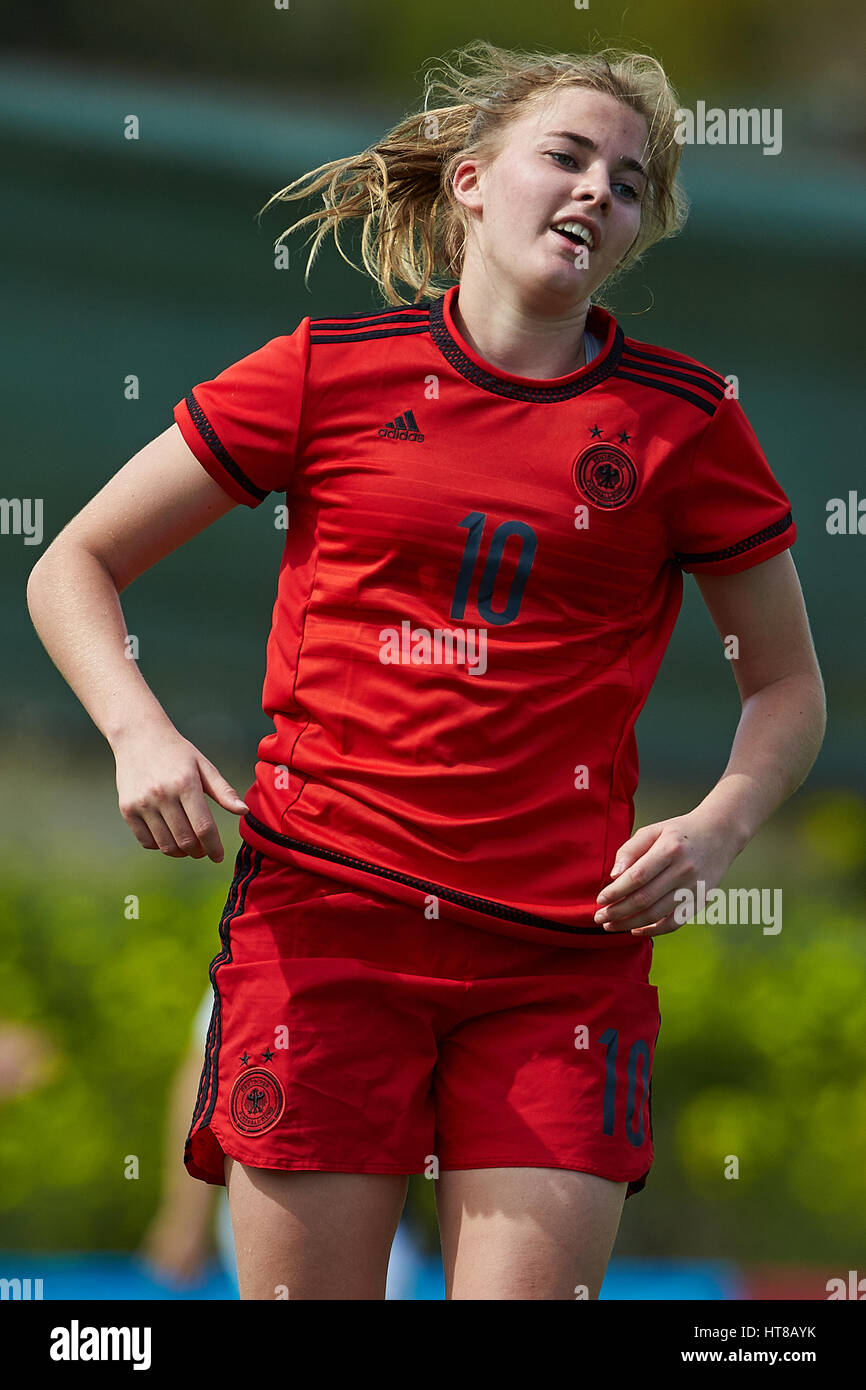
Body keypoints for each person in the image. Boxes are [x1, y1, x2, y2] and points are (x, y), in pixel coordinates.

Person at [25, 40, 826, 1300]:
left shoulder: (684, 425)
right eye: (564, 156)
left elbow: (786, 686)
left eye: (625, 182)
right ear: (468, 182)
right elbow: (70, 561)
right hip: (324, 927)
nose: (593, 192)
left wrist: (719, 828)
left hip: (560, 958)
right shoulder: (318, 373)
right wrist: (138, 732)